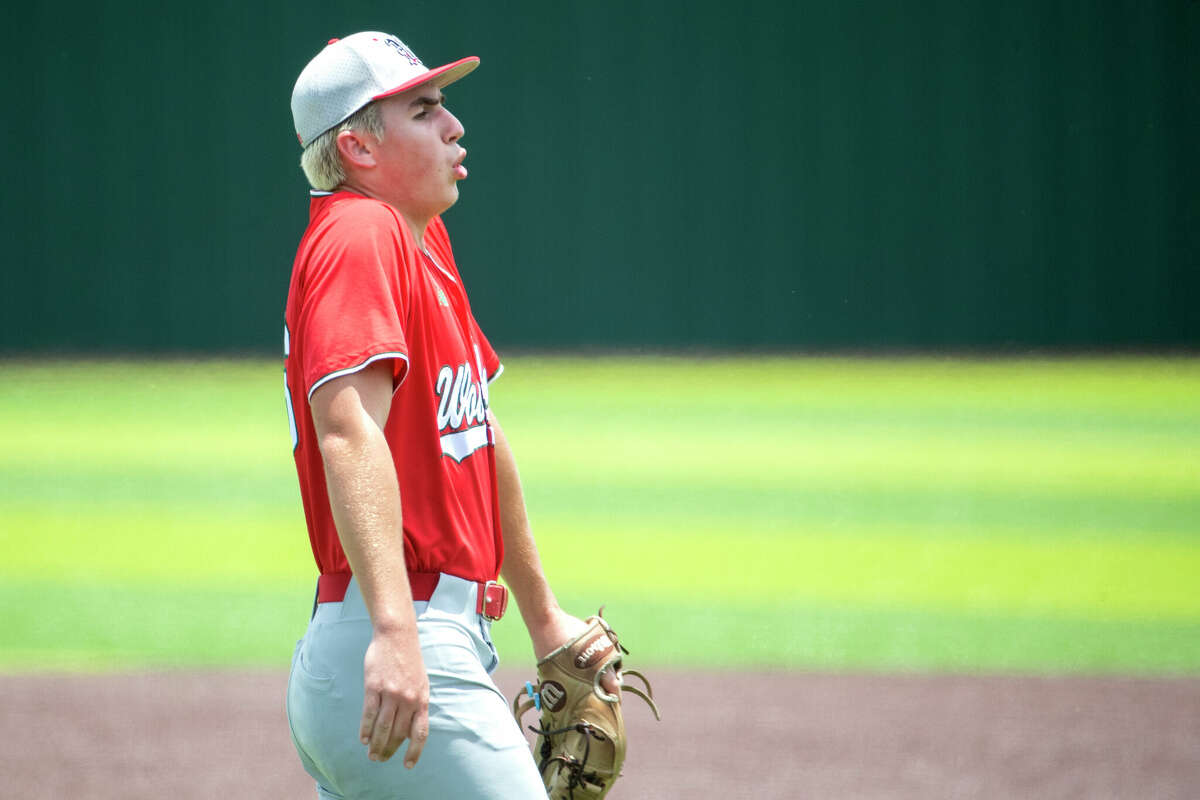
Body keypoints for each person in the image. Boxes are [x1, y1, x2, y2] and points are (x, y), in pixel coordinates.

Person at [282, 31, 610, 799]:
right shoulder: (361, 233)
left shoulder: (423, 244)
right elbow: (347, 429)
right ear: (358, 147)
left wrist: (543, 617)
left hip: (423, 634)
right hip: (398, 633)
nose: (454, 125)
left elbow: (479, 435)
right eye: (424, 110)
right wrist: (396, 633)